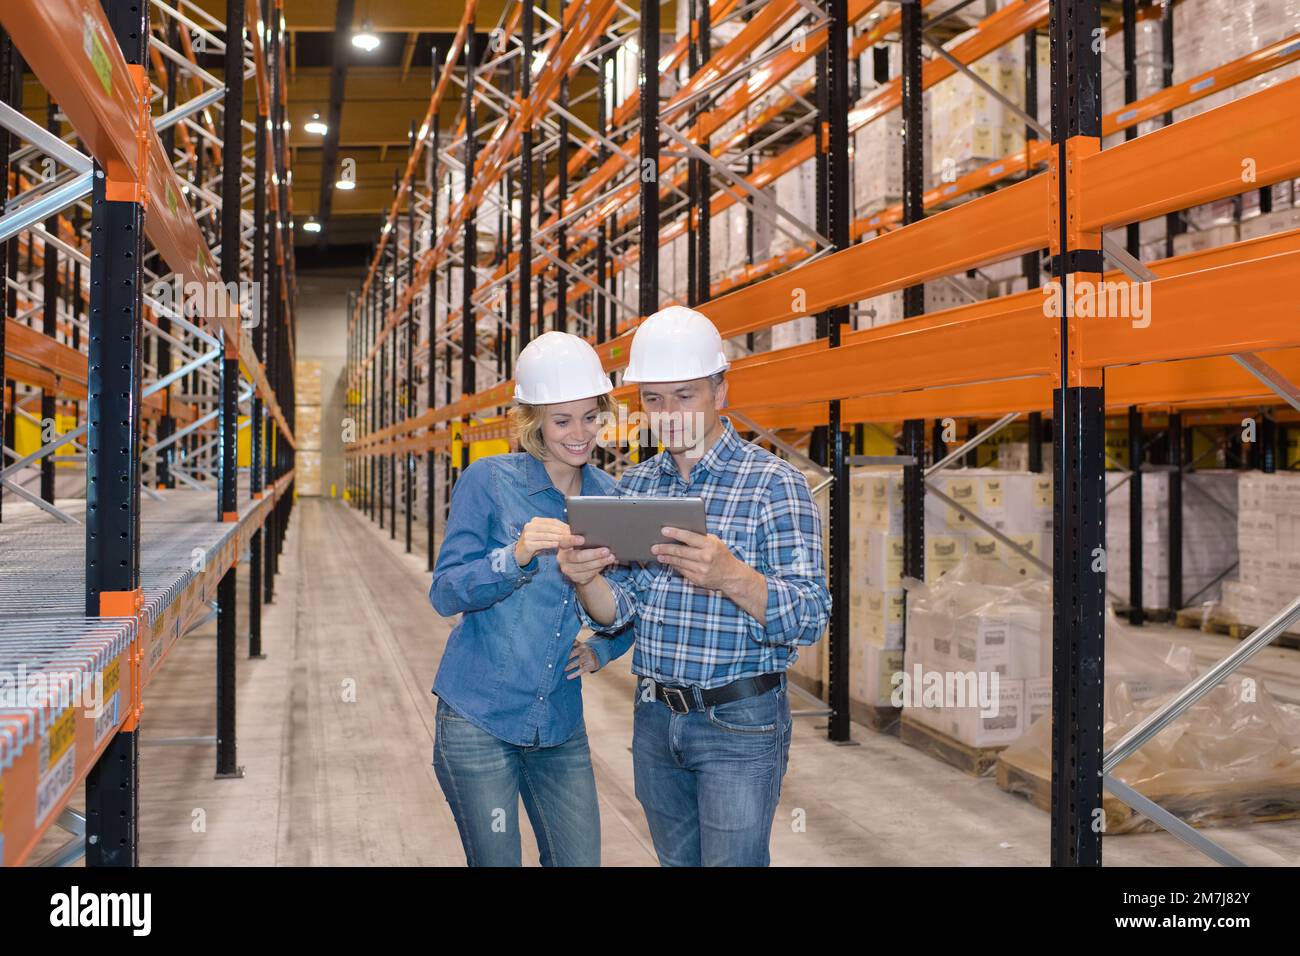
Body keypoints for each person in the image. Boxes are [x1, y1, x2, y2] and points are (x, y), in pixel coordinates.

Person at [557, 305, 831, 867]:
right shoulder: (635, 484)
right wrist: (585, 582)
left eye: (685, 395)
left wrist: (733, 577)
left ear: (720, 391)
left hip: (738, 723)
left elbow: (810, 616)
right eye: (653, 400)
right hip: (656, 719)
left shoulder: (774, 485)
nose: (669, 414)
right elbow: (622, 609)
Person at [429, 331, 630, 867]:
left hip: (558, 724)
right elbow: (444, 591)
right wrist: (513, 556)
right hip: (479, 718)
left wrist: (602, 650)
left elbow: (635, 600)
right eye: (562, 420)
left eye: (590, 417)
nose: (579, 434)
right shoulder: (489, 481)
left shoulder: (610, 497)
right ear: (533, 419)